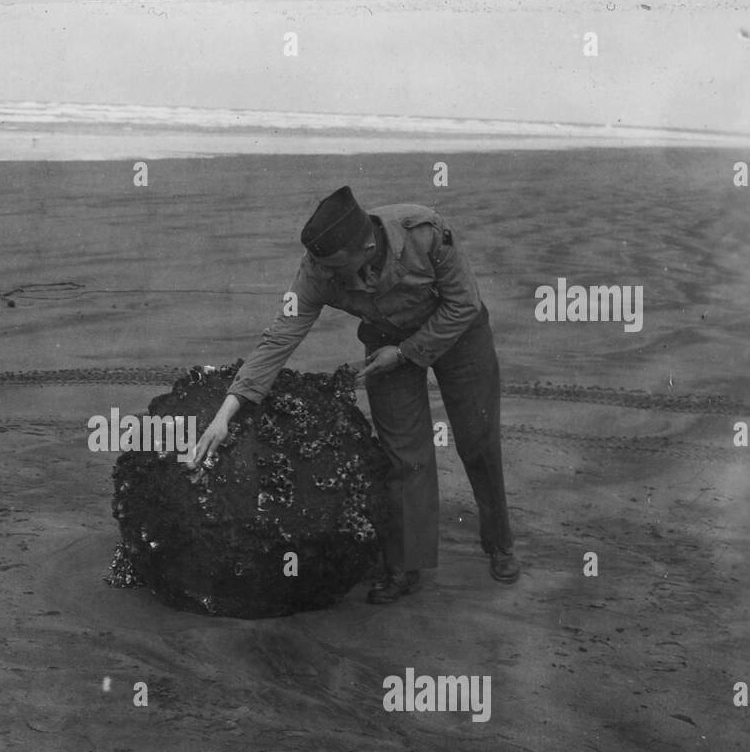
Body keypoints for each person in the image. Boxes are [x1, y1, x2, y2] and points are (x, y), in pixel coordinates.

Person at [190, 185, 520, 604]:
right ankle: (406, 565)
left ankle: (499, 542)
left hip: (457, 333)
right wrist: (227, 410)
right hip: (384, 339)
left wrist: (405, 354)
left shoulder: (426, 231)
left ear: (366, 246)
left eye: (333, 266)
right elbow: (281, 336)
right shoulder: (317, 268)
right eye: (320, 265)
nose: (324, 273)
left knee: (478, 440)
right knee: (404, 456)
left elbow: (464, 305)